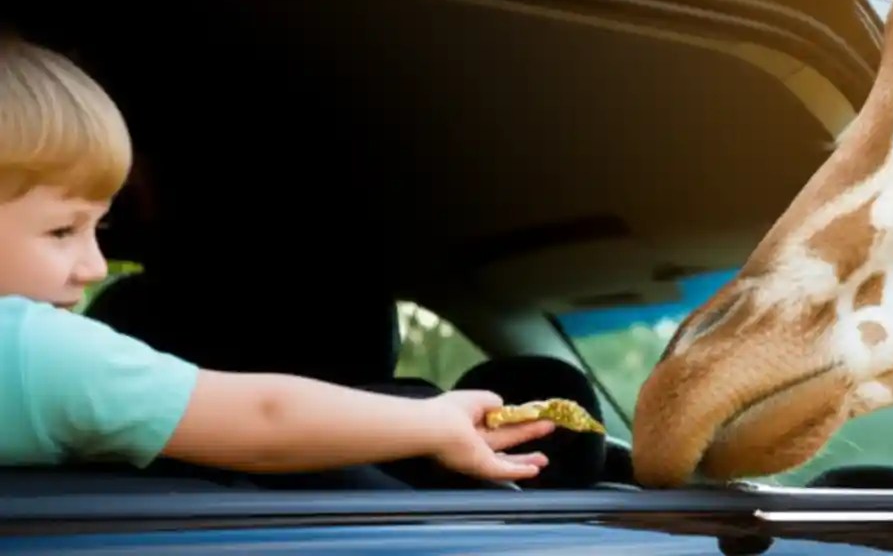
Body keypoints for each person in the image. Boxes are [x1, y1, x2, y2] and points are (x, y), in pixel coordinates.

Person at [0, 35, 554, 479]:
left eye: (99, 227)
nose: (96, 266)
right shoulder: (29, 348)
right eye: (61, 230)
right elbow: (264, 419)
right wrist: (434, 422)